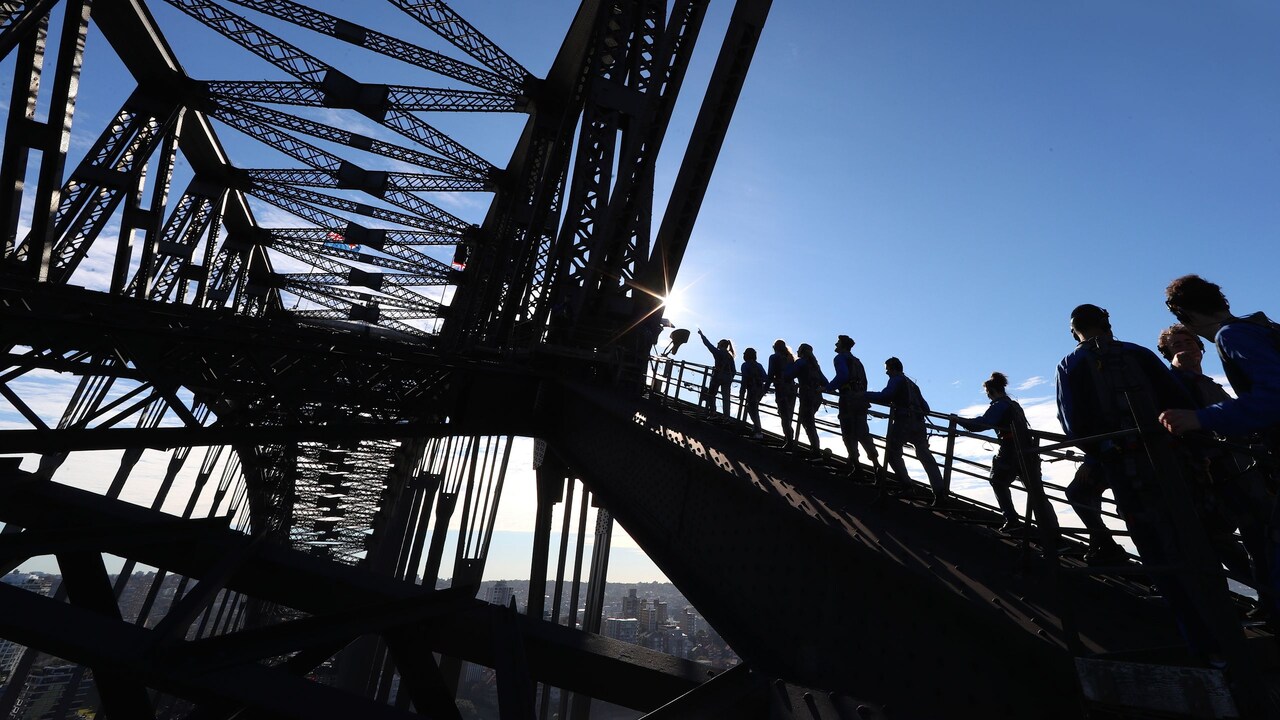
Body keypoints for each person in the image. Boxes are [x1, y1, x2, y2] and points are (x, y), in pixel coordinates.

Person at [1057, 303, 1224, 657]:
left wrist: (1102, 454)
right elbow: (1178, 400)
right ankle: (1225, 629)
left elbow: (1073, 424)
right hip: (1172, 460)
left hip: (1123, 468)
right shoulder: (1138, 353)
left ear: (1074, 332)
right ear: (1107, 324)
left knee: (1155, 549)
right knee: (1197, 539)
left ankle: (1201, 642)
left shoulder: (1070, 364)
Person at [1157, 323, 1273, 611]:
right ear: (1167, 353)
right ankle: (1265, 596)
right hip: (1209, 474)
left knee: (1257, 536)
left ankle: (1269, 598)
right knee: (1224, 537)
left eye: (1189, 341)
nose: (1185, 347)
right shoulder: (1170, 384)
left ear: (1200, 348)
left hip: (1241, 470)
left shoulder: (1210, 385)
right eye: (1176, 344)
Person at [1159, 275, 1280, 447]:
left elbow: (1274, 395)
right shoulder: (1264, 328)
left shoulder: (1230, 335)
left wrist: (1200, 418)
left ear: (1186, 316)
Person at [956, 372, 1052, 533]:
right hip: (1027, 449)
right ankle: (1050, 531)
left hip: (1010, 450)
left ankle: (1012, 520)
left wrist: (959, 421)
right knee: (1036, 491)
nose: (988, 396)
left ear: (992, 391)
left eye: (988, 393)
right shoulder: (1014, 405)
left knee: (997, 481)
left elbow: (982, 423)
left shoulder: (999, 405)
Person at [866, 357, 946, 503]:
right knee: (925, 456)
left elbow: (886, 396)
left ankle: (907, 486)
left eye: (887, 369)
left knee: (892, 453)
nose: (886, 373)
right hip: (919, 424)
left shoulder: (896, 380)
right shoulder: (912, 384)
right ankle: (940, 492)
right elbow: (926, 408)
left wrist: (865, 395)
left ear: (893, 368)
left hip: (903, 422)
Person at [825, 335, 880, 479]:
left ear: (842, 345)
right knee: (863, 433)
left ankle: (857, 467)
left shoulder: (839, 358)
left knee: (848, 434)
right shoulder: (857, 362)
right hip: (860, 399)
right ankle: (876, 466)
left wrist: (828, 388)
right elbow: (865, 381)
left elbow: (843, 376)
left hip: (848, 399)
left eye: (838, 342)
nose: (835, 344)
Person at [785, 343, 827, 455]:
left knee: (808, 422)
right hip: (817, 397)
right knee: (808, 421)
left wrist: (789, 364)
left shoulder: (801, 362)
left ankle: (815, 450)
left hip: (807, 397)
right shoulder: (815, 366)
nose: (797, 351)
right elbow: (825, 382)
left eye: (798, 349)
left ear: (802, 351)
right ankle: (815, 448)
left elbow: (788, 375)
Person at [766, 339, 798, 446]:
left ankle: (789, 440)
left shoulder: (774, 357)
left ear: (775, 347)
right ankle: (789, 438)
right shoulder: (790, 358)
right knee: (789, 415)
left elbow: (770, 375)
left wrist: (764, 389)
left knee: (783, 414)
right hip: (792, 388)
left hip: (781, 388)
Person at [698, 329, 735, 417]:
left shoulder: (717, 352)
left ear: (721, 345)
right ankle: (726, 416)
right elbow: (734, 370)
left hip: (717, 376)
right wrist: (730, 378)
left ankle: (713, 412)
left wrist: (702, 335)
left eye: (718, 343)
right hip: (727, 378)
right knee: (726, 398)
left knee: (711, 394)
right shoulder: (730, 356)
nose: (717, 344)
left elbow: (708, 345)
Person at [739, 348, 767, 439]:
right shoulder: (759, 365)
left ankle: (758, 430)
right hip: (759, 390)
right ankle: (756, 428)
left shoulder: (745, 365)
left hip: (751, 389)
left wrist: (742, 392)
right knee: (754, 408)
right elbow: (765, 377)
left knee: (752, 409)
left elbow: (744, 380)